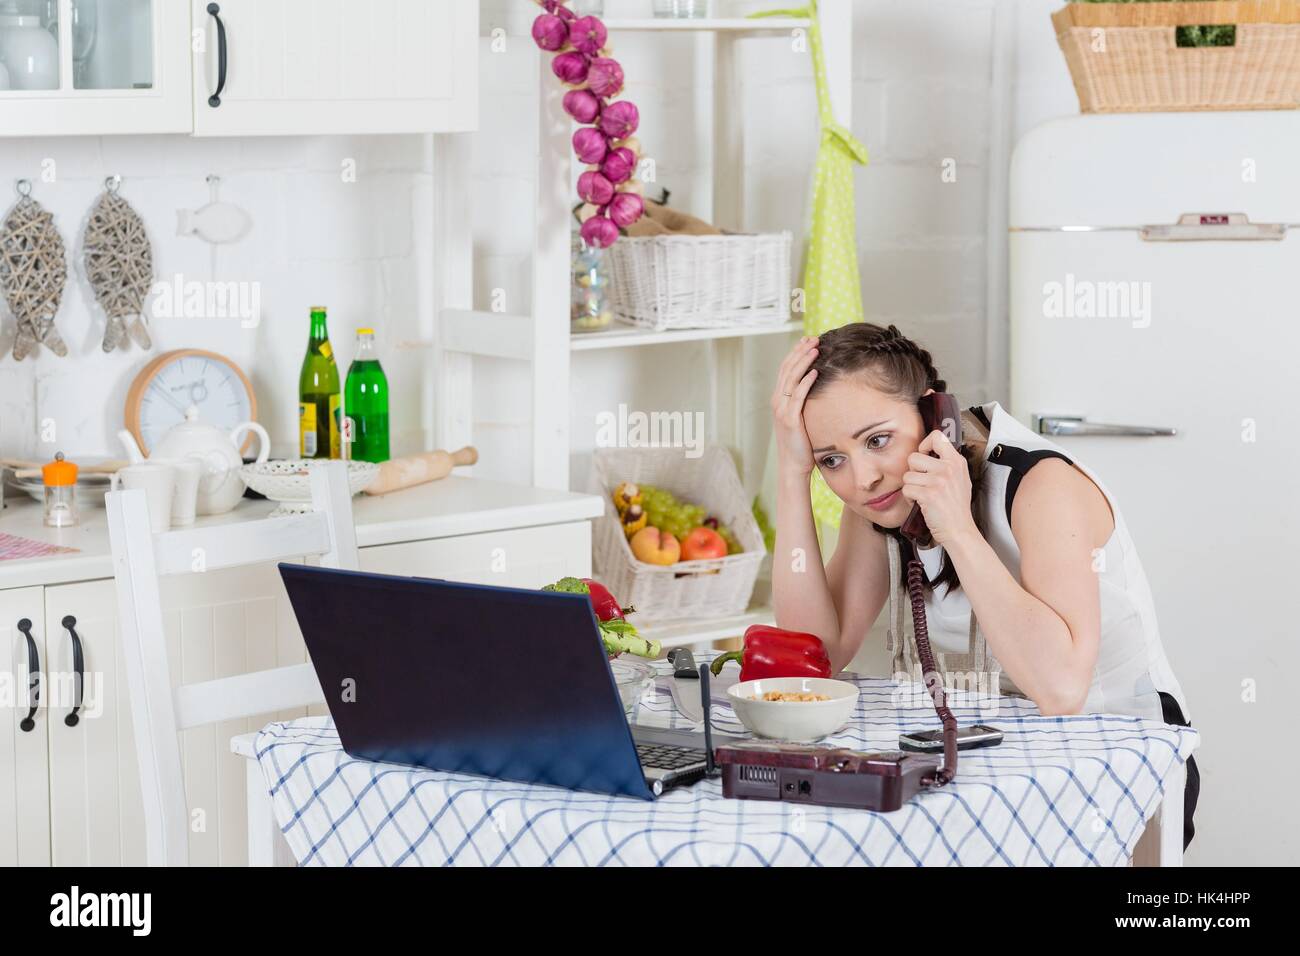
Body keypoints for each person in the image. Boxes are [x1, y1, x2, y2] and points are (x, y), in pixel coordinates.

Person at [770, 322, 1199, 849]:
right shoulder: (882, 497)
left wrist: (957, 528)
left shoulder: (1039, 485)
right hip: (1012, 753)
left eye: (878, 440)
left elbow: (1062, 688)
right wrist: (791, 474)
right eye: (830, 460)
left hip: (1122, 757)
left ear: (934, 418)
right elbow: (813, 658)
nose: (861, 478)